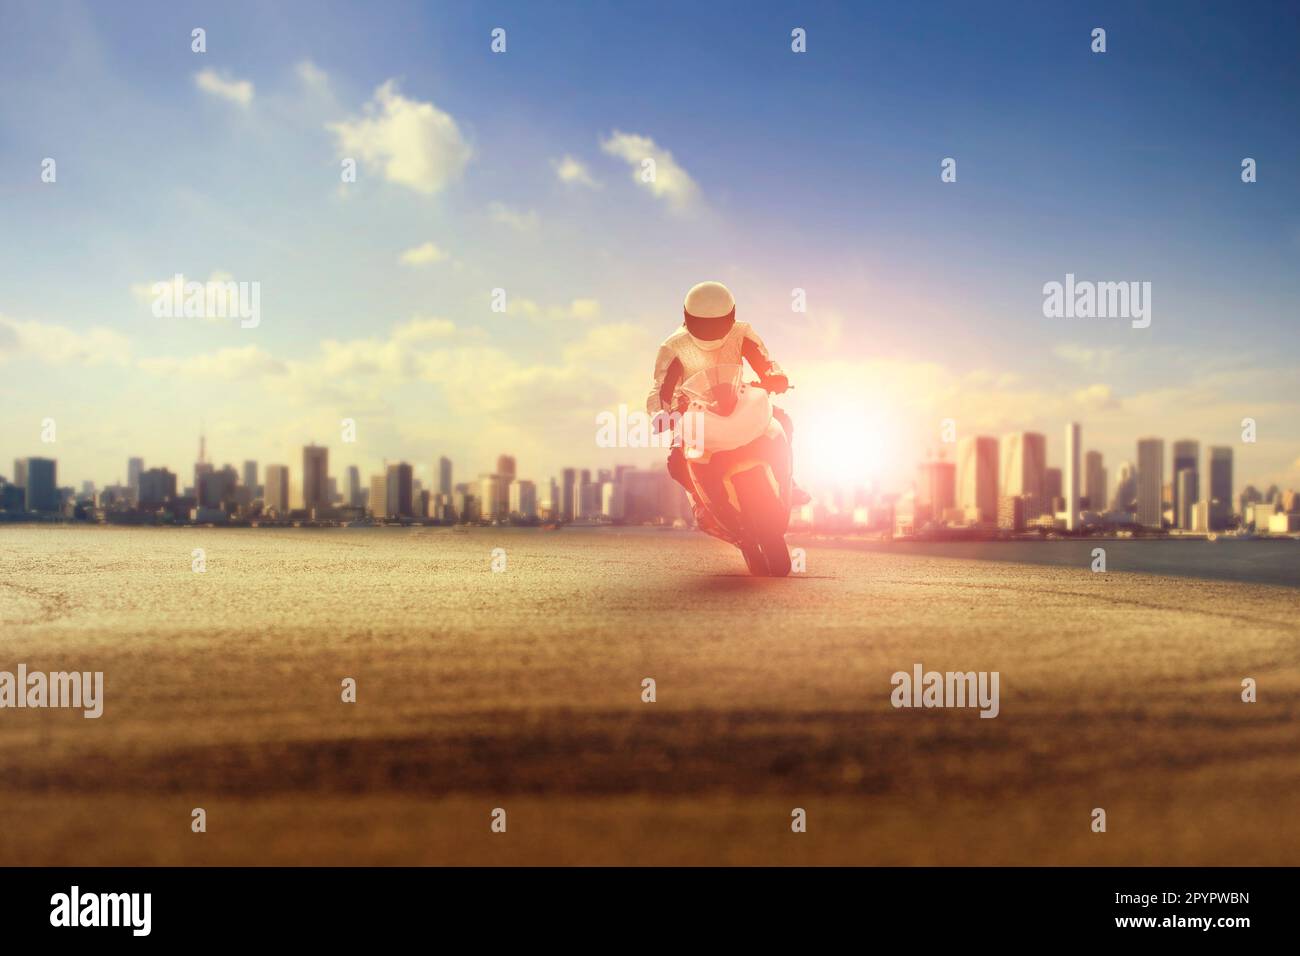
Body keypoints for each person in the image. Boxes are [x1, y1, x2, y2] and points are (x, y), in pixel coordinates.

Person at [646, 280, 809, 530]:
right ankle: (701, 502)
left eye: (717, 322)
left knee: (783, 420)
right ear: (687, 318)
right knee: (676, 462)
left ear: (731, 315)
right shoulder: (673, 347)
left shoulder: (741, 333)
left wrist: (776, 377)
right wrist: (661, 412)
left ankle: (789, 481)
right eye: (702, 323)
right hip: (692, 412)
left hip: (736, 399)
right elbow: (661, 388)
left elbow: (765, 360)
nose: (710, 329)